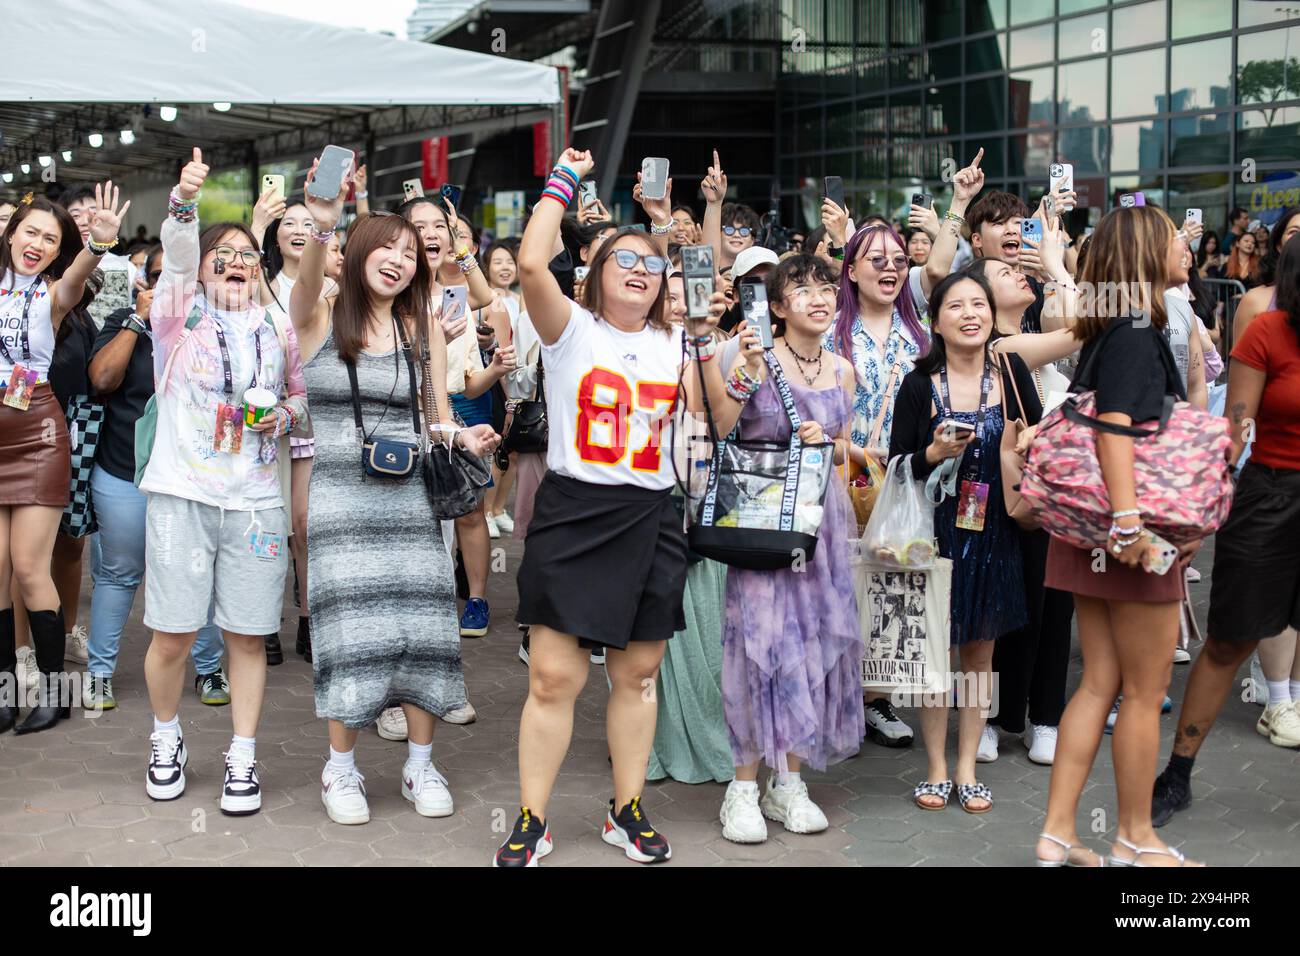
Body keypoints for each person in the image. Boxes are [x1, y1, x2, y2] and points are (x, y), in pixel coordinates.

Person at [494, 147, 720, 866]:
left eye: (650, 264)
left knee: (639, 675)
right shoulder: (570, 332)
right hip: (573, 511)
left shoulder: (680, 343)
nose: (637, 270)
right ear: (594, 276)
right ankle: (532, 819)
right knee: (554, 676)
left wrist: (676, 228)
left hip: (653, 517)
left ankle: (627, 810)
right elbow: (532, 264)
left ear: (665, 281)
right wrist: (563, 180)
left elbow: (714, 411)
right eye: (621, 260)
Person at [290, 157, 499, 826]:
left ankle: (418, 765)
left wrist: (459, 438)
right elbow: (300, 289)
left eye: (410, 252)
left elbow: (434, 410)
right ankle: (341, 770)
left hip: (410, 499)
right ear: (354, 256)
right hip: (341, 507)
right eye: (385, 247)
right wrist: (321, 223)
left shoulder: (422, 326)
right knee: (352, 635)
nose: (399, 260)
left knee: (422, 629)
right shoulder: (318, 316)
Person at [139, 148, 307, 815]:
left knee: (245, 633)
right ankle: (165, 738)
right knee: (174, 633)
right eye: (223, 254)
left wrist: (283, 415)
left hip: (258, 504)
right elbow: (178, 255)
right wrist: (185, 202)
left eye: (247, 254)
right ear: (203, 270)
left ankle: (243, 755)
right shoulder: (179, 315)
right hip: (183, 496)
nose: (236, 262)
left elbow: (299, 398)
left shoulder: (277, 326)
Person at [1035, 205, 1203, 867]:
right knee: (1141, 688)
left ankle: (1057, 833)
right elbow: (1114, 426)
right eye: (1172, 237)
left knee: (1100, 682)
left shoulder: (1113, 327)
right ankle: (1135, 834)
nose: (1185, 245)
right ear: (1143, 253)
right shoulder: (1136, 329)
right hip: (1128, 534)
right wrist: (1133, 524)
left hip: (1088, 533)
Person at [890, 271, 1073, 814]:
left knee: (979, 656)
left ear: (992, 315)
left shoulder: (1012, 372)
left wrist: (1033, 438)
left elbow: (1035, 441)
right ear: (937, 321)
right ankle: (937, 768)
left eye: (979, 304)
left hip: (995, 534)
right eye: (956, 306)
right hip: (933, 537)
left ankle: (968, 766)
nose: (970, 314)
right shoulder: (920, 384)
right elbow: (897, 464)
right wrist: (932, 454)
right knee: (932, 657)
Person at [712, 255, 864, 843]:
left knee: (810, 646)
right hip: (759, 522)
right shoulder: (753, 355)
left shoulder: (843, 369)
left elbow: (857, 456)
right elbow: (718, 429)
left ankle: (789, 783)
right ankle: (743, 788)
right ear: (776, 306)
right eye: (801, 289)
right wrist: (745, 375)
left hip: (820, 527)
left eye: (826, 286)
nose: (818, 297)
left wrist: (829, 443)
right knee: (756, 647)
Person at [1151, 233, 1300, 829]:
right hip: (1269, 496)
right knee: (1231, 640)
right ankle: (1178, 774)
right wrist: (1198, 516)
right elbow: (1233, 432)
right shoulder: (1267, 331)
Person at [82, 246, 228, 711]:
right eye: (162, 275)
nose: (173, 285)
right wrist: (138, 322)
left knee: (196, 573)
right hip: (125, 473)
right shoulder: (126, 320)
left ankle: (208, 670)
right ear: (145, 280)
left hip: (191, 479)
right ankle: (98, 675)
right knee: (119, 574)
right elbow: (102, 379)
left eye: (183, 276)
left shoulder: (215, 328)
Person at [1, 188, 124, 734]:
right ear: (10, 234)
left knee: (30, 567)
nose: (38, 244)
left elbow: (79, 277)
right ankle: (6, 695)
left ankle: (55, 694)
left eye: (50, 239)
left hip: (39, 437)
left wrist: (97, 241)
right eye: (30, 232)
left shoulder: (55, 294)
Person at [964, 252, 1079, 765]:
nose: (1017, 271)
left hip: (1049, 486)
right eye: (1003, 273)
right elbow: (1082, 330)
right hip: (1002, 490)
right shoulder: (1001, 346)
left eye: (1019, 269)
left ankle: (1046, 717)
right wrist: (1057, 266)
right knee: (1007, 602)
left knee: (1055, 604)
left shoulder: (1031, 331)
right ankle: (994, 716)